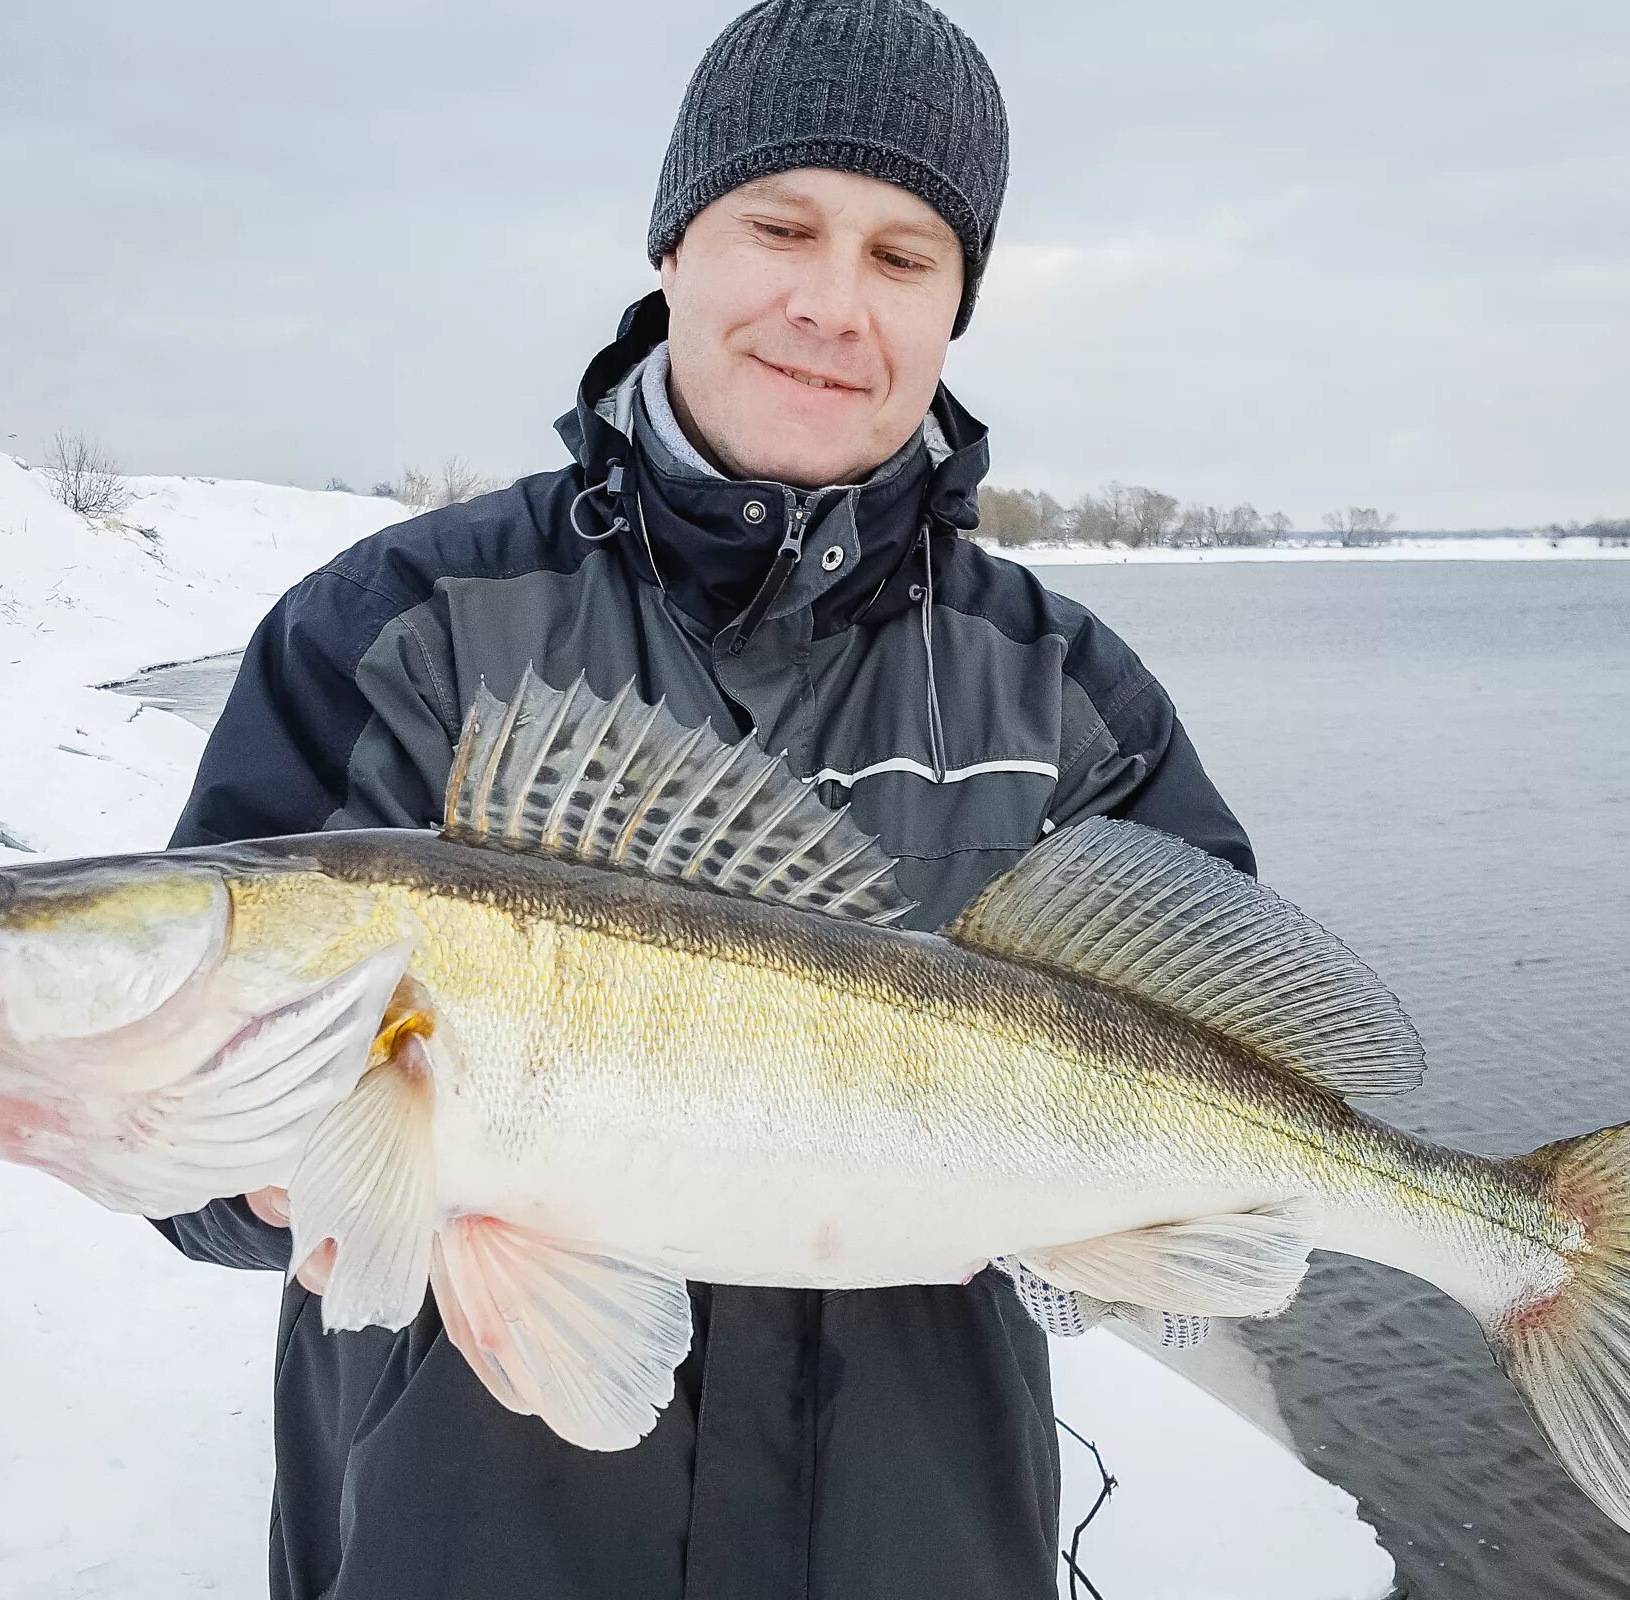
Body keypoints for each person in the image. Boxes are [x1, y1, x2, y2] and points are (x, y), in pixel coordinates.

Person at [154, 2, 1253, 1595]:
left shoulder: (1065, 694)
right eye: (781, 225)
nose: (830, 302)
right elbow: (194, 1163)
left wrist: (1163, 1234)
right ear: (675, 245)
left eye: (904, 256)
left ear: (959, 308)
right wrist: (261, 1175)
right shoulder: (399, 629)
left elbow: (1228, 1047)